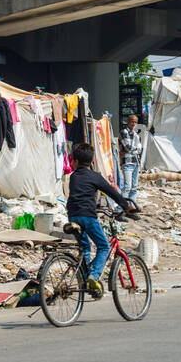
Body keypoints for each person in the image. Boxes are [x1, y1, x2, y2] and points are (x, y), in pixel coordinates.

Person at [67, 141, 136, 298]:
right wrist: (126, 206)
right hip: (88, 217)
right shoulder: (95, 176)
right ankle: (93, 277)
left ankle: (83, 279)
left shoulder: (73, 177)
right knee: (104, 247)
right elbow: (112, 193)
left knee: (85, 247)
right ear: (92, 162)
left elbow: (79, 195)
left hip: (72, 216)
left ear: (75, 162)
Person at [120, 113, 147, 204]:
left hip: (135, 162)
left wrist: (130, 150)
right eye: (132, 122)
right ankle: (121, 209)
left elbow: (140, 149)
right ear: (128, 122)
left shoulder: (136, 134)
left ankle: (132, 207)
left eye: (135, 122)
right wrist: (132, 149)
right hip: (127, 163)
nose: (134, 124)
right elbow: (128, 147)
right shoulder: (124, 132)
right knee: (127, 186)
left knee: (134, 187)